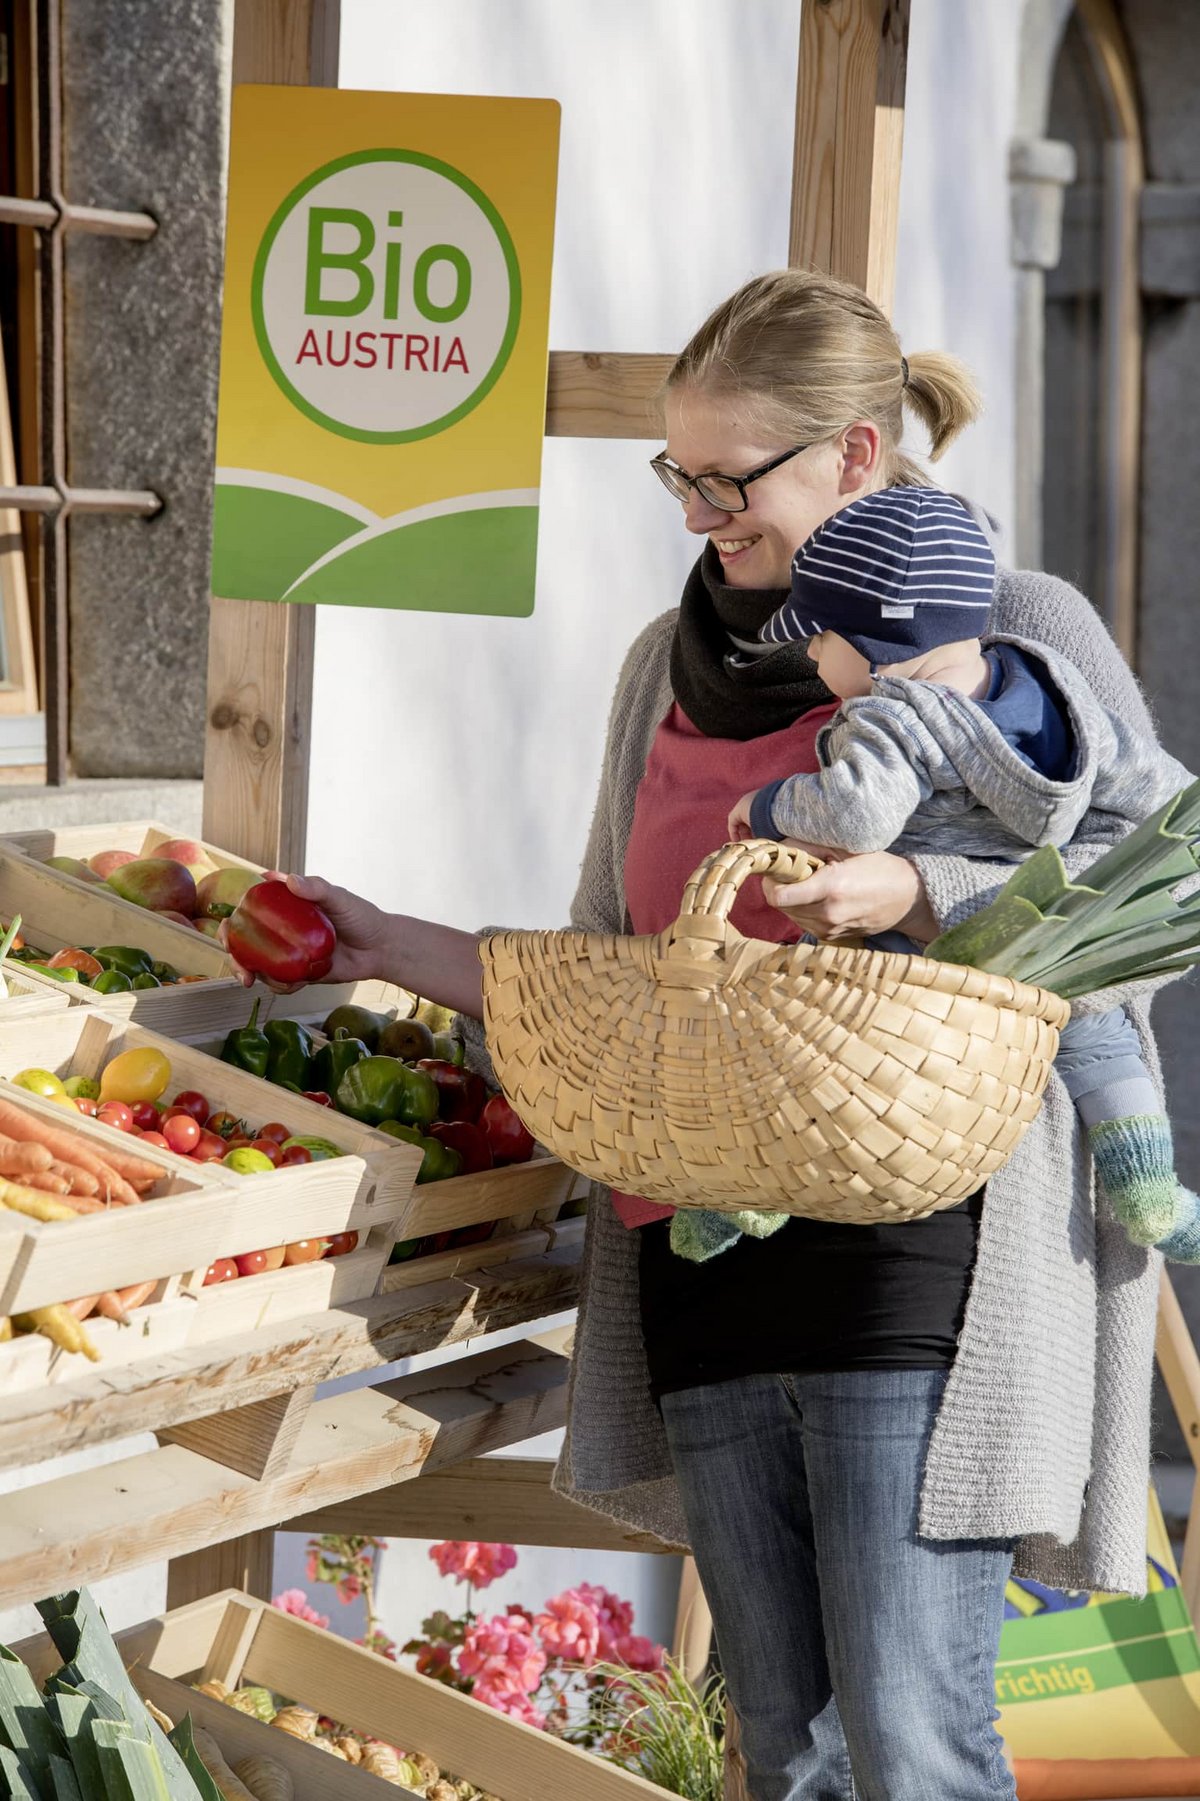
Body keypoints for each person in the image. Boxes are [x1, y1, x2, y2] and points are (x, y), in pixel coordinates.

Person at [234, 271, 1184, 1801]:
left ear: (857, 455)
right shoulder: (656, 673)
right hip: (702, 1265)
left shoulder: (1013, 632)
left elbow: (1148, 894)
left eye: (728, 478)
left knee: (913, 1742)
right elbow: (614, 967)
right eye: (678, 473)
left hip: (917, 1255)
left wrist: (915, 887)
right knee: (783, 1755)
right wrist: (388, 941)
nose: (698, 513)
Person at [668, 483, 1200, 1270]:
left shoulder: (896, 713)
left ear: (880, 642)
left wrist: (771, 802)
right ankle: (1150, 1191)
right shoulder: (1057, 697)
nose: (812, 654)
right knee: (1099, 1036)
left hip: (916, 957)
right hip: (1036, 948)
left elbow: (857, 817)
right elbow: (1164, 800)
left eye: (821, 636)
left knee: (826, 1042)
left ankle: (748, 1191)